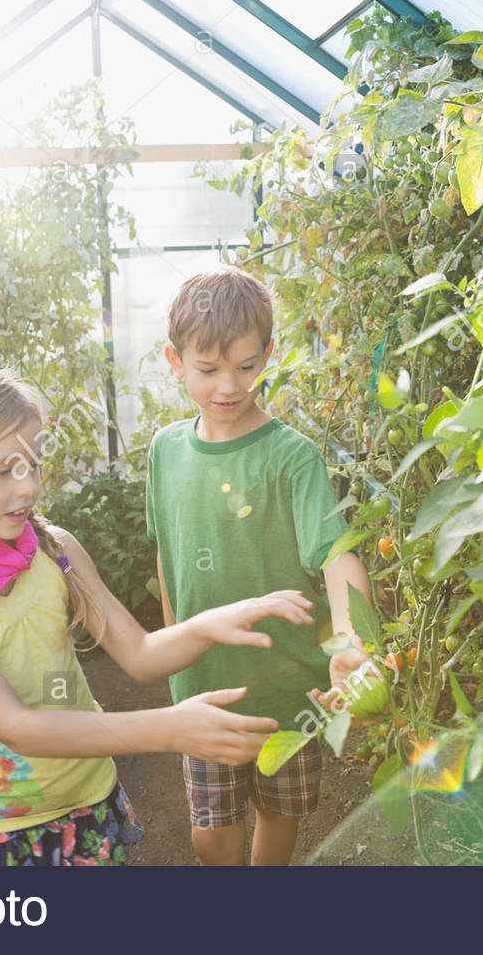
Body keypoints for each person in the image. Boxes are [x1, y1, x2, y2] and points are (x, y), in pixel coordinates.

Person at [0, 351, 314, 866]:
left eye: (33, 466)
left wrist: (212, 623)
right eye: (2, 471)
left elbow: (140, 653)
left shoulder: (53, 549)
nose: (28, 487)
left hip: (89, 804)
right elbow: (17, 726)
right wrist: (168, 727)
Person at [147, 266, 373, 866]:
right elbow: (168, 556)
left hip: (288, 685)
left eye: (247, 366)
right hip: (205, 690)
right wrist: (175, 653)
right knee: (212, 830)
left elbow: (335, 554)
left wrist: (351, 640)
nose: (229, 385)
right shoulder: (165, 452)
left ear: (269, 352)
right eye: (209, 368)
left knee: (280, 810)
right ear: (175, 360)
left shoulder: (292, 456)